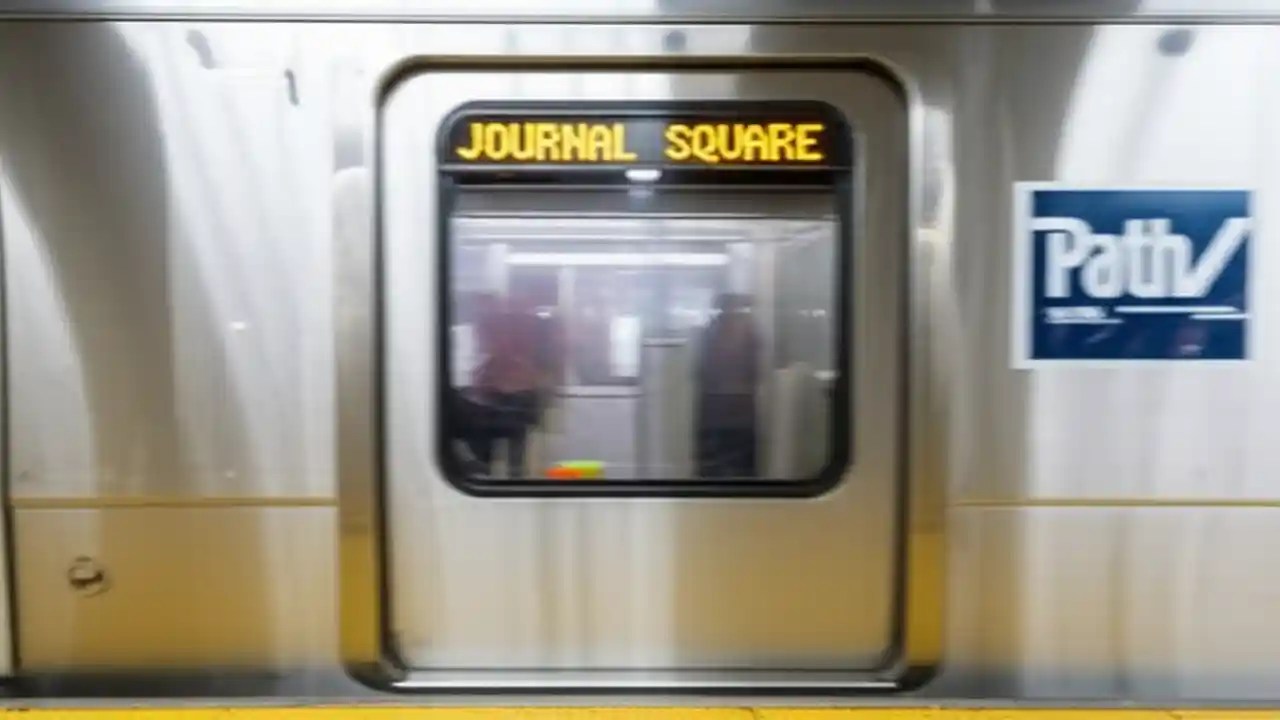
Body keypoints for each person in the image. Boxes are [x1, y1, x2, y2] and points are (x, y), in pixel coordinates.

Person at [471, 287, 559, 478]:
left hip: (511, 393)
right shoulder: (528, 327)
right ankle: (504, 478)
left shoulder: (507, 326)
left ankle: (498, 478)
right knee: (509, 451)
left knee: (505, 451)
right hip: (508, 392)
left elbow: (493, 353)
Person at [695, 293, 760, 478]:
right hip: (727, 401)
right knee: (726, 451)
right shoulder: (744, 330)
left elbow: (702, 367)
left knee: (732, 451)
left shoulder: (715, 330)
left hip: (730, 401)